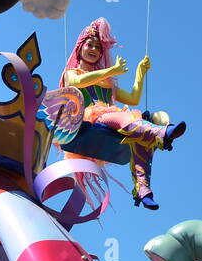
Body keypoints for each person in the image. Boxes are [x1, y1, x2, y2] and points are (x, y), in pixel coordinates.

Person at [42, 18, 184, 209]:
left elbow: (133, 99)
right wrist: (111, 71)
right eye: (89, 45)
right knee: (125, 118)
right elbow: (77, 82)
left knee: (138, 135)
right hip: (88, 120)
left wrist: (140, 73)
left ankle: (142, 189)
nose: (93, 49)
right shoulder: (71, 72)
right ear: (79, 49)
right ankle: (160, 133)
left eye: (97, 47)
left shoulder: (108, 82)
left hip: (109, 121)